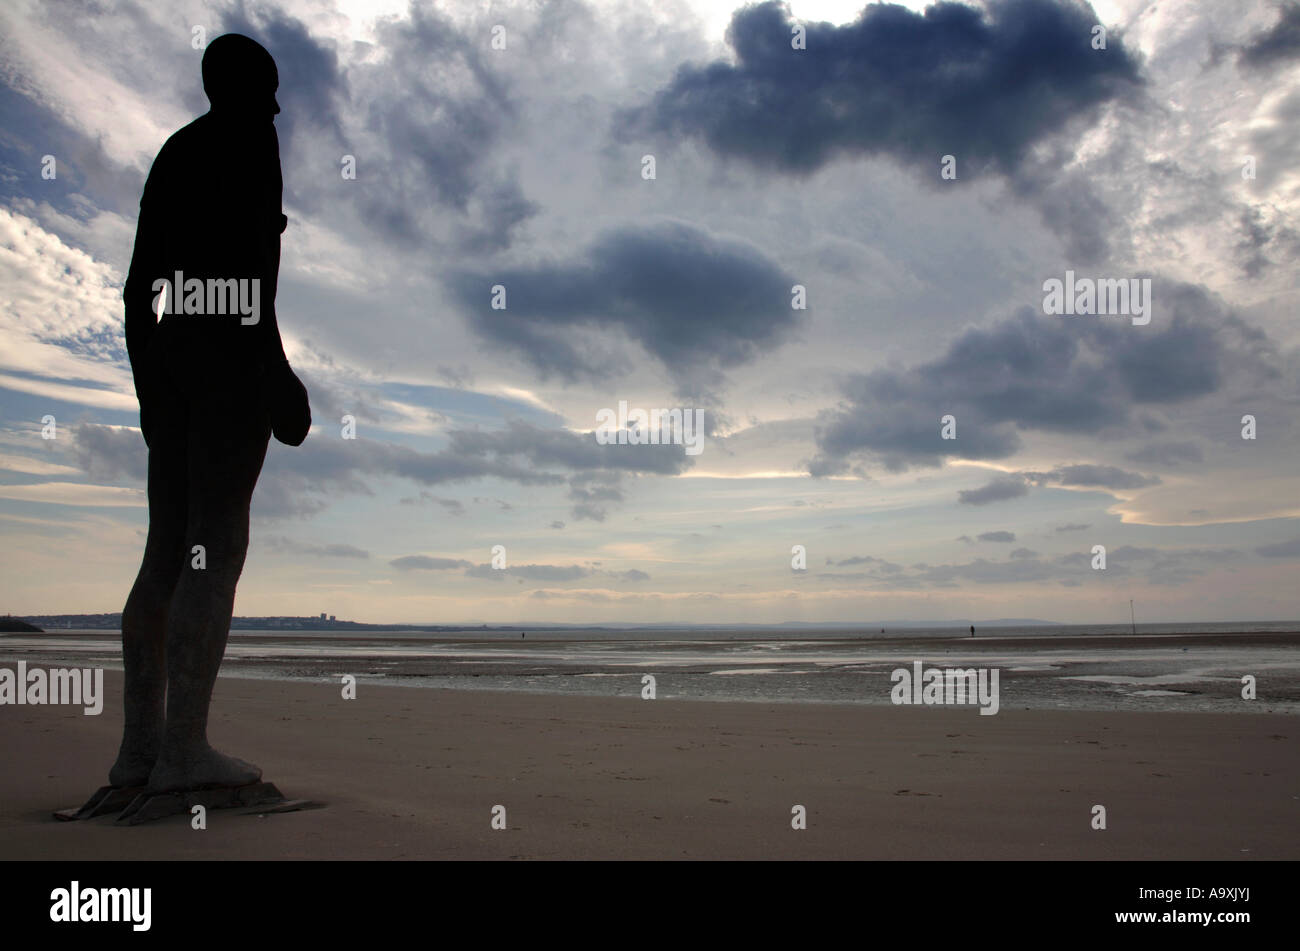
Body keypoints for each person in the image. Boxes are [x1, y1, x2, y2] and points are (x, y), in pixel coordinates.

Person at [111, 34, 310, 792]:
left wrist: (148, 390)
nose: (278, 106)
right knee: (213, 550)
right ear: (237, 89)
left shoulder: (173, 153)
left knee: (165, 554)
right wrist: (279, 375)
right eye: (268, 90)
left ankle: (140, 752)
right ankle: (183, 751)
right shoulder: (248, 140)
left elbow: (138, 292)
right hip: (226, 368)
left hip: (172, 366)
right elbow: (253, 286)